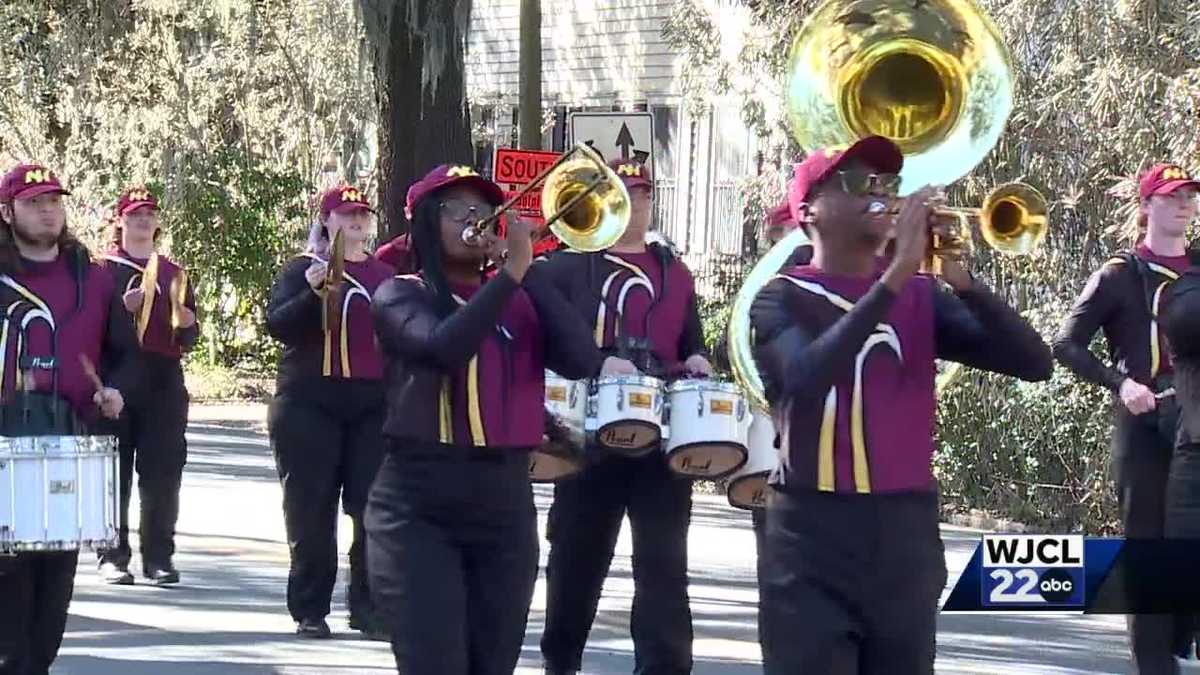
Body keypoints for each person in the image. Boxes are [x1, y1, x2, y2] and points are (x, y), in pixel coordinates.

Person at [750, 136, 1053, 673]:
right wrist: (895, 275)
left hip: (904, 533)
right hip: (810, 533)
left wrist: (964, 284)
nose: (884, 195)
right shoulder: (782, 296)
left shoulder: (922, 296)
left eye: (889, 184)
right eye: (861, 183)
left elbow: (1033, 363)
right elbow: (804, 378)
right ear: (809, 211)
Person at [365, 163, 620, 674]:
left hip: (504, 501)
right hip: (418, 503)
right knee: (435, 663)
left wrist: (530, 275)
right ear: (424, 223)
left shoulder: (518, 297)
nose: (477, 219)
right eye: (458, 209)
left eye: (484, 209)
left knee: (493, 664)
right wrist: (509, 277)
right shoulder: (400, 293)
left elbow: (580, 360)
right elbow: (444, 347)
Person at [537, 158, 712, 675]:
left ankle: (663, 668)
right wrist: (594, 362)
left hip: (661, 438)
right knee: (575, 561)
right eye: (627, 192)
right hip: (589, 435)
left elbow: (690, 340)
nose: (638, 202)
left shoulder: (674, 271)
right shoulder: (570, 265)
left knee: (663, 566)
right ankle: (560, 662)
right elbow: (540, 322)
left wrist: (699, 358)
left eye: (644, 192)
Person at [1054, 163, 1199, 673]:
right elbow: (1066, 345)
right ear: (1145, 207)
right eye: (1170, 196)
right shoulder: (1119, 274)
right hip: (1145, 427)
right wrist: (1123, 384)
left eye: (1189, 196)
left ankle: (1182, 635)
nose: (1183, 204)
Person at [0, 163, 139, 674]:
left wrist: (116, 389)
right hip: (5, 442)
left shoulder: (95, 276)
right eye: (34, 201)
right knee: (9, 585)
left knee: (55, 586)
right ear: (7, 211)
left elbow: (124, 353)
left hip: (72, 439)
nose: (47, 210)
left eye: (53, 201)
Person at [265, 184, 392, 640]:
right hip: (307, 404)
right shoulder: (303, 269)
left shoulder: (386, 275)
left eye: (363, 215)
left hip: (371, 407)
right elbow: (278, 325)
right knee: (311, 511)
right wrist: (313, 293)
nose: (356, 222)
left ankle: (369, 607)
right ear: (327, 222)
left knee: (372, 510)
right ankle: (310, 608)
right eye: (346, 215)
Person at [96, 187, 198, 586]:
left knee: (163, 473)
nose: (143, 220)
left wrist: (189, 324)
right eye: (135, 213)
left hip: (163, 381)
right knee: (113, 471)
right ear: (120, 220)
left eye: (149, 214)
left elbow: (189, 336)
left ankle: (159, 557)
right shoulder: (102, 270)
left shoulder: (173, 273)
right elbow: (91, 330)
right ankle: (112, 555)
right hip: (117, 379)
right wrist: (123, 310)